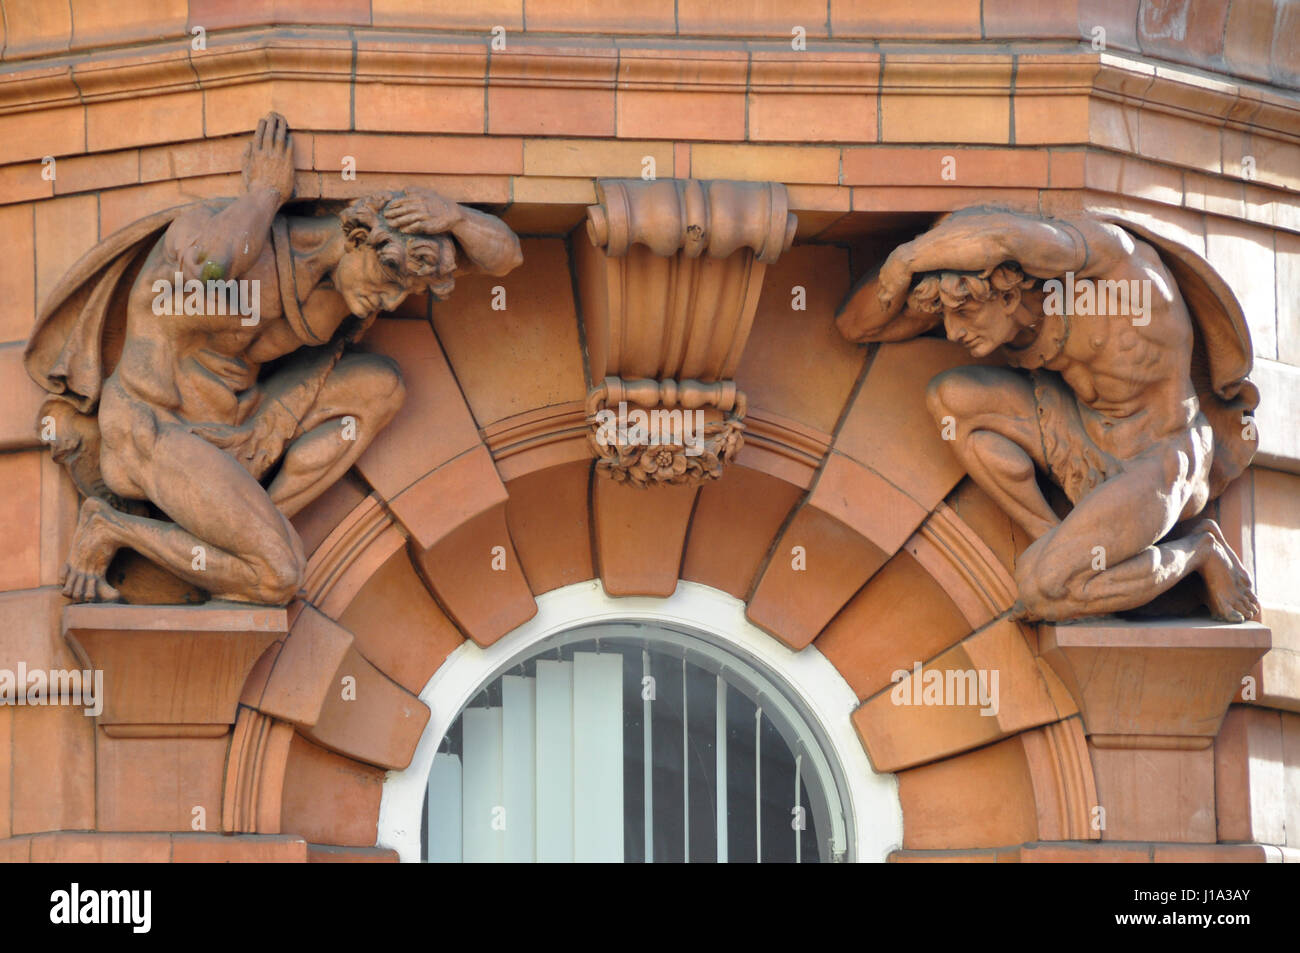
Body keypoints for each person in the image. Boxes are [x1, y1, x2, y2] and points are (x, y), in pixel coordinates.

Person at [25, 113, 522, 604]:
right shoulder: (228, 238)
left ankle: (244, 529)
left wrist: (454, 216)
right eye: (390, 283)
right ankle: (112, 528)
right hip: (156, 430)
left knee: (382, 386)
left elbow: (507, 257)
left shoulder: (342, 293)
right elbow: (209, 271)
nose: (392, 303)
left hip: (242, 422)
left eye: (403, 291)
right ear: (355, 241)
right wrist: (265, 193)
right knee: (278, 577)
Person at [836, 207, 1259, 623]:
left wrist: (908, 257)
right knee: (951, 397)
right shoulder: (999, 307)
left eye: (963, 314)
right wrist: (909, 272)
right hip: (1078, 432)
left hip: (1158, 460)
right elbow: (857, 327)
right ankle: (1055, 542)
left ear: (1008, 290)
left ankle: (1200, 551)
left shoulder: (1116, 271)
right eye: (947, 316)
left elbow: (1007, 239)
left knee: (1043, 590)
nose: (952, 332)